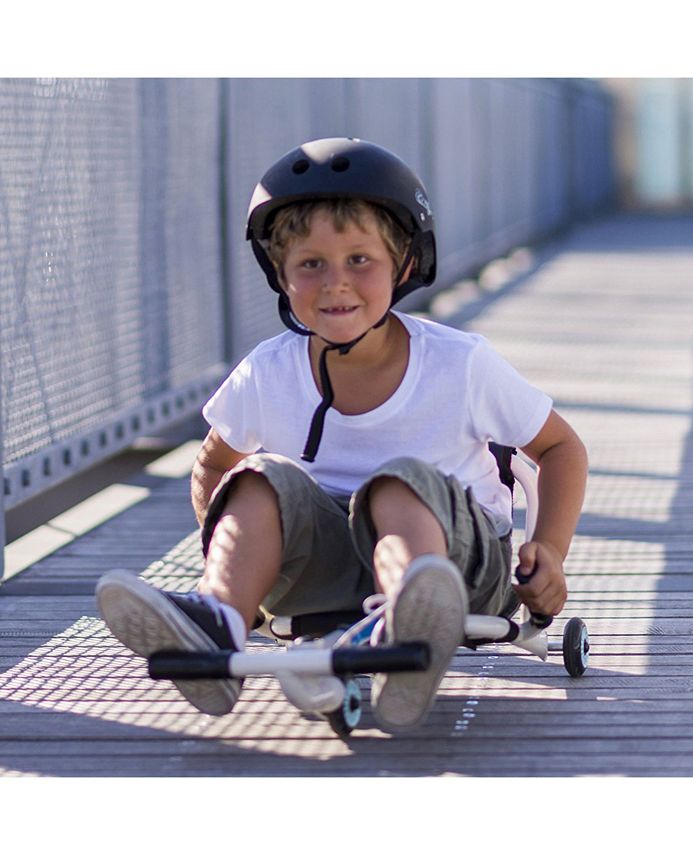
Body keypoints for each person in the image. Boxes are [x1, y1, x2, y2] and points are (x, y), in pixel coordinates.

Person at [96, 137, 587, 733]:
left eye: (359, 260)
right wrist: (241, 563)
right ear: (280, 273)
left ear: (405, 264)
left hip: (458, 570)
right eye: (310, 264)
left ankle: (413, 618)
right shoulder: (267, 371)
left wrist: (551, 551)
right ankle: (218, 625)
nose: (335, 284)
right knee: (255, 478)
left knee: (395, 483)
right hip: (323, 571)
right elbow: (212, 468)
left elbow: (561, 449)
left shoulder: (459, 364)